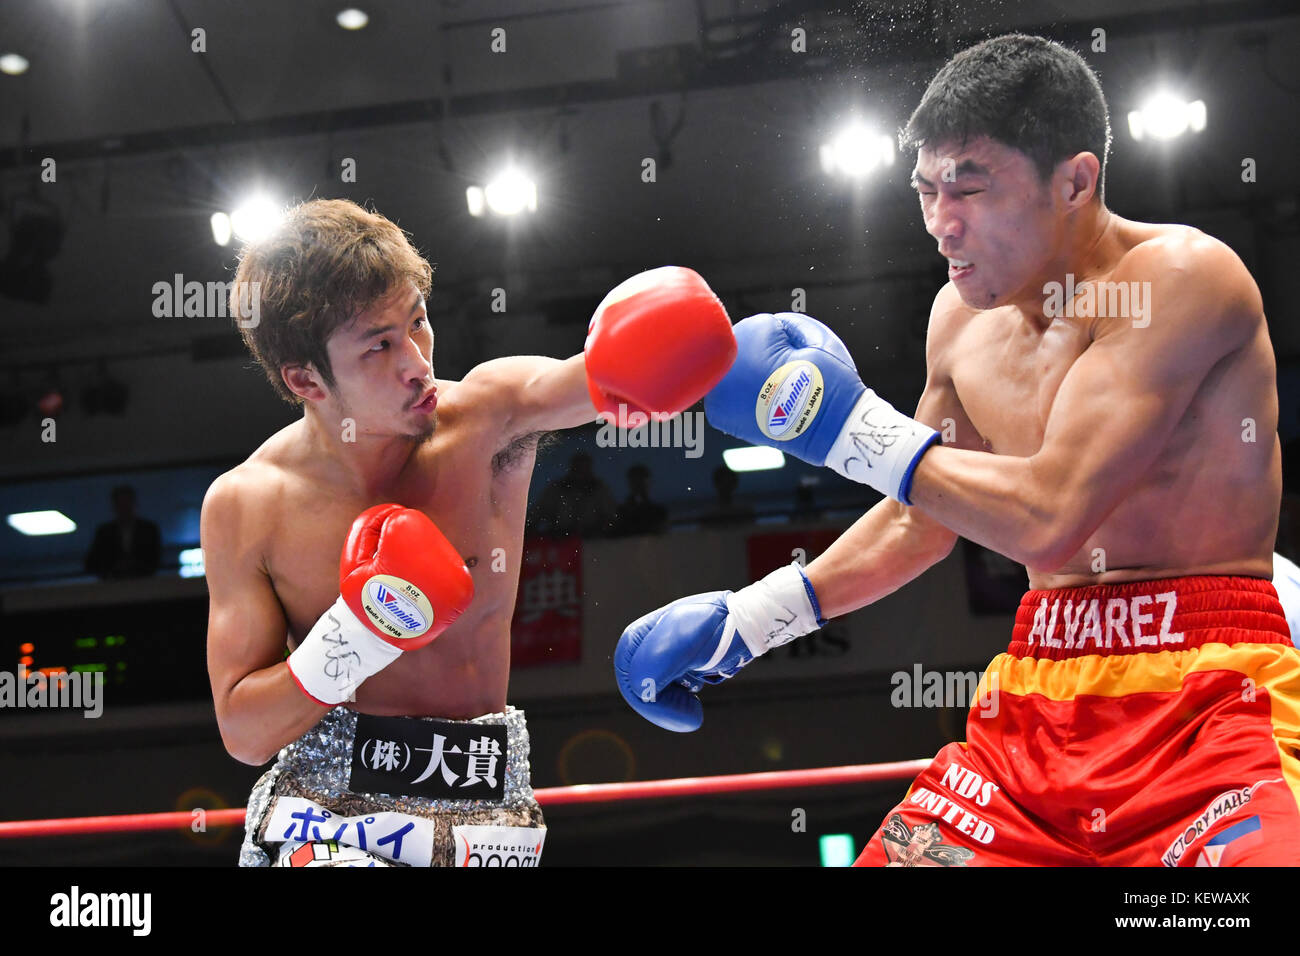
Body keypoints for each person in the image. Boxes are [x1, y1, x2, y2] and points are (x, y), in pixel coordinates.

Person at [615, 34, 1300, 866]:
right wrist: (749, 621)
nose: (942, 223)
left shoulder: (1184, 279)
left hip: (1209, 704)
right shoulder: (957, 319)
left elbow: (1052, 513)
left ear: (1076, 181)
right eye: (927, 190)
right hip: (1034, 704)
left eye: (970, 188)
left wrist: (844, 428)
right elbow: (921, 520)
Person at [202, 199, 735, 866]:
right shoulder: (250, 505)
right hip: (330, 821)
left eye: (417, 322)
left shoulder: (489, 419)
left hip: (487, 811)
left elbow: (590, 378)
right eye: (379, 345)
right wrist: (360, 635)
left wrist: (658, 356)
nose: (417, 362)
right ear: (306, 378)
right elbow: (245, 731)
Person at [531, 452, 618, 538]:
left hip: (592, 539)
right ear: (572, 469)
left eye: (584, 469)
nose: (581, 473)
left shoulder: (600, 489)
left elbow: (610, 515)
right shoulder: (557, 489)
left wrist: (602, 530)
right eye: (578, 468)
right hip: (560, 539)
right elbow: (539, 511)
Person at [84, 484, 162, 579]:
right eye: (120, 504)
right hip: (113, 585)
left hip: (143, 584)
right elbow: (92, 562)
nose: (124, 508)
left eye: (127, 503)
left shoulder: (149, 530)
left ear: (134, 504)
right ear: (114, 507)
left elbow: (156, 559)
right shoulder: (104, 532)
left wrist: (136, 566)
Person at [613, 464, 668, 536]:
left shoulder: (659, 511)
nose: (638, 485)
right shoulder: (623, 511)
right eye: (635, 481)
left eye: (640, 481)